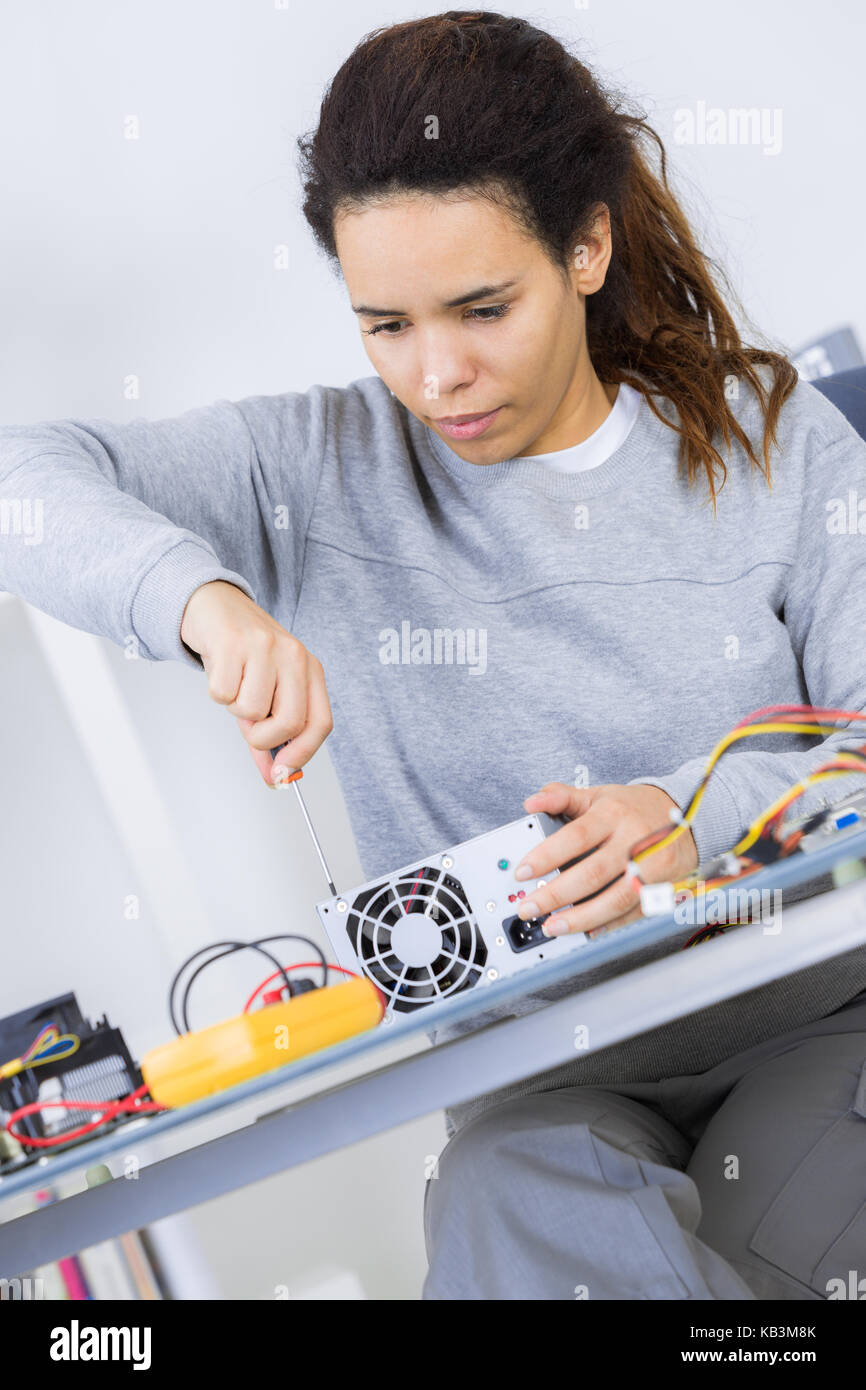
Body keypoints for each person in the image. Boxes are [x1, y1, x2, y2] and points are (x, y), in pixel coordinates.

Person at [2, 10, 865, 1300]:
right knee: (497, 1197)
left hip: (812, 1028)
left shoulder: (777, 446)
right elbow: (21, 481)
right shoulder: (320, 472)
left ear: (587, 246)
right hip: (542, 1090)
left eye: (481, 309)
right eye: (385, 326)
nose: (439, 378)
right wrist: (207, 601)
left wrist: (693, 820)